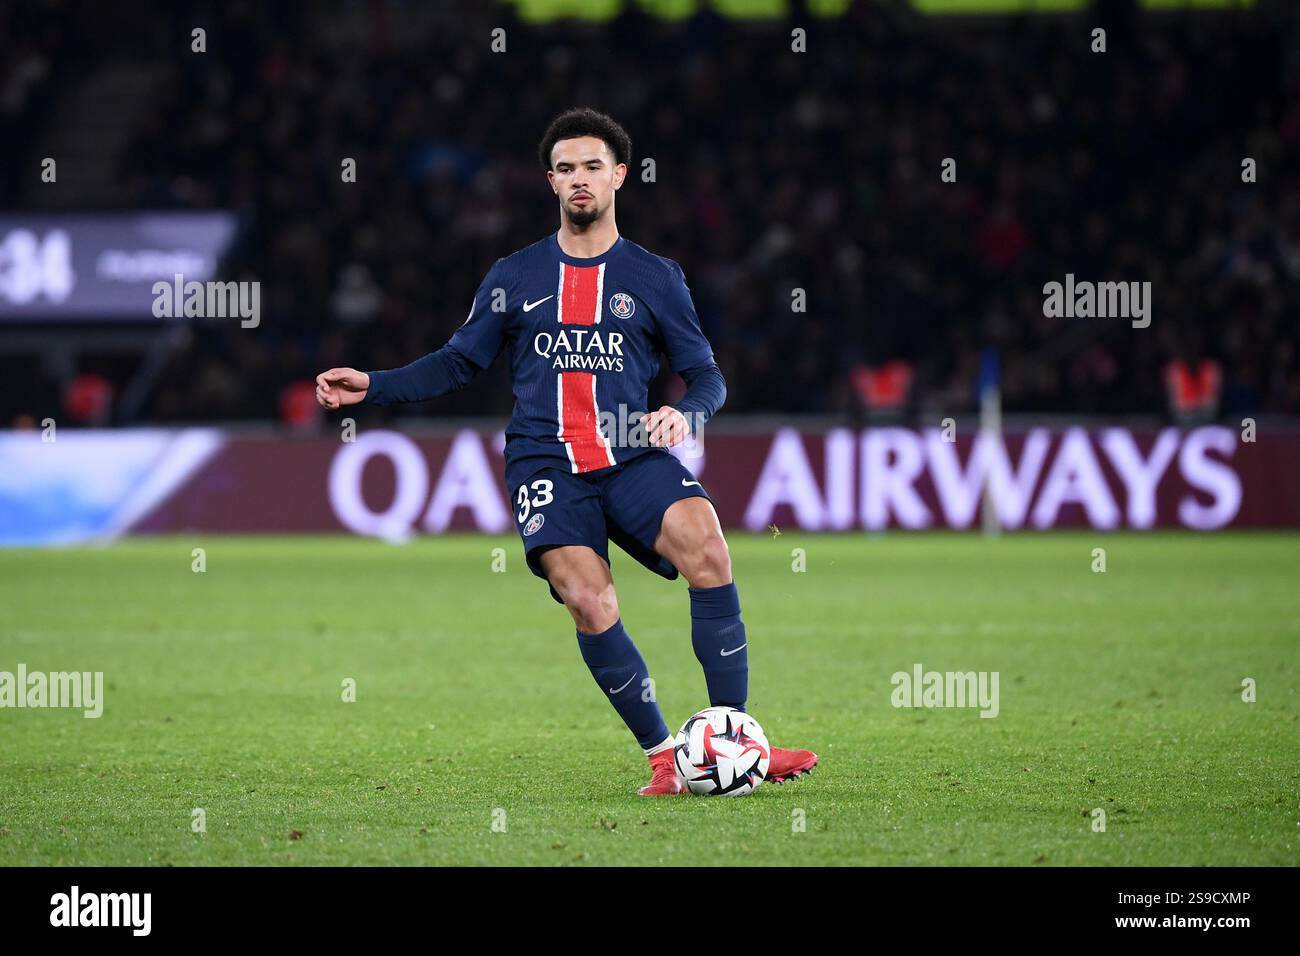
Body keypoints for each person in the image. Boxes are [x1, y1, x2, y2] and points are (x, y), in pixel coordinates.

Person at [316, 108, 817, 795]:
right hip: (545, 461)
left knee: (708, 548)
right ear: (550, 181)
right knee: (588, 597)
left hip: (631, 449)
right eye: (565, 168)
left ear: (618, 175)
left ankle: (736, 744)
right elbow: (458, 363)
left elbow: (707, 376)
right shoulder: (512, 276)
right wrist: (372, 385)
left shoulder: (656, 276)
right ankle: (665, 760)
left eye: (592, 166)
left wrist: (685, 412)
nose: (579, 179)